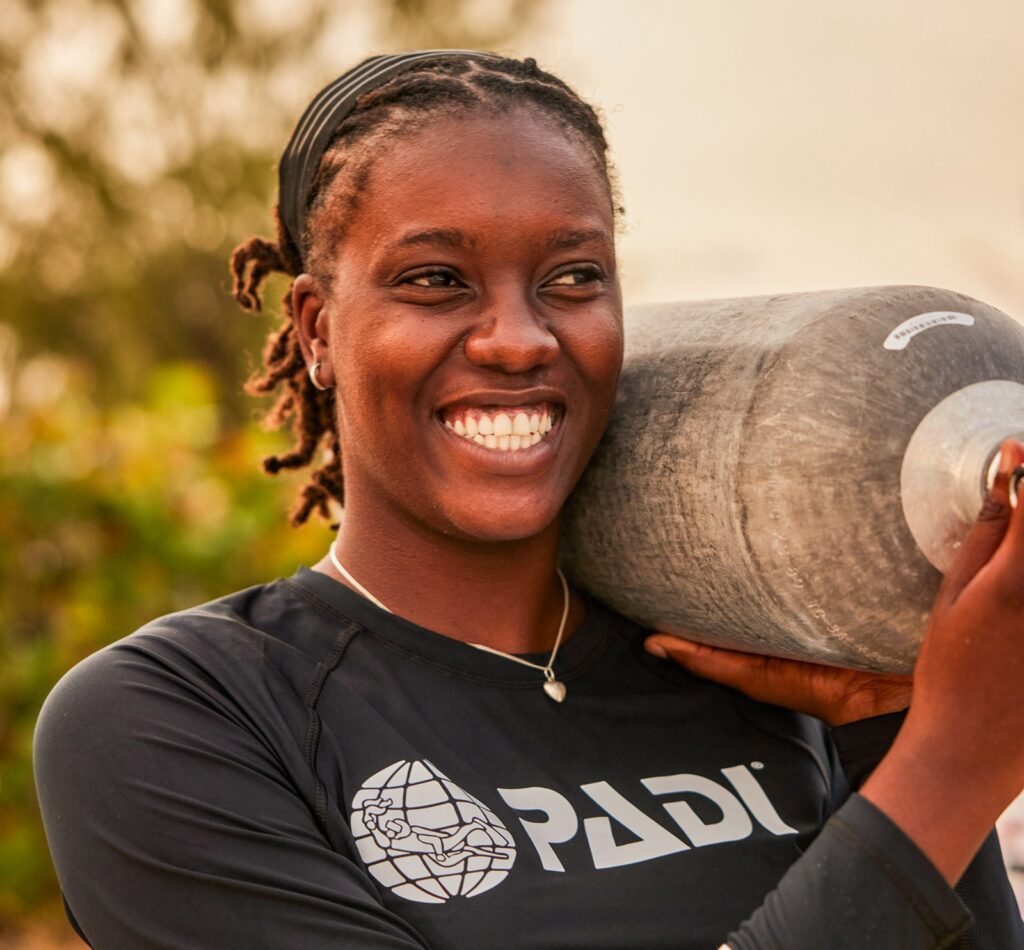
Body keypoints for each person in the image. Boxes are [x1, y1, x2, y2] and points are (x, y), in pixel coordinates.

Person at [33, 50, 1024, 949]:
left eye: (571, 278)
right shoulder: (181, 718)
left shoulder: (769, 677)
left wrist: (888, 725)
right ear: (316, 329)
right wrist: (943, 769)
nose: (518, 338)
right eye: (435, 280)